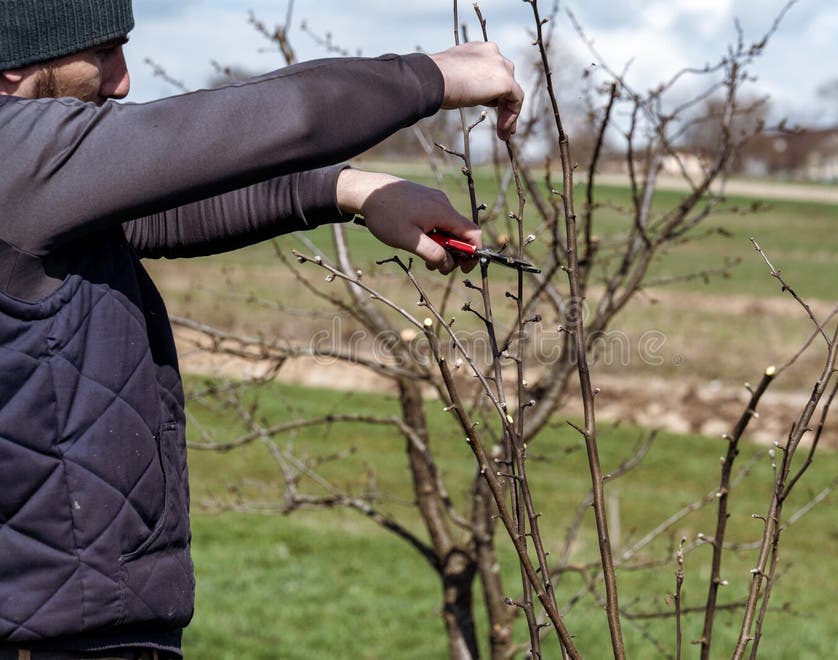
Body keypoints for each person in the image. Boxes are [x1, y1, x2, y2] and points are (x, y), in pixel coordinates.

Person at [0, 1, 524, 658]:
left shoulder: (35, 186)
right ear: (14, 67)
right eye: (102, 53)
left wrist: (354, 191)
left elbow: (164, 211)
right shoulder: (10, 159)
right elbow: (277, 120)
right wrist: (433, 77)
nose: (123, 80)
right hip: (48, 639)